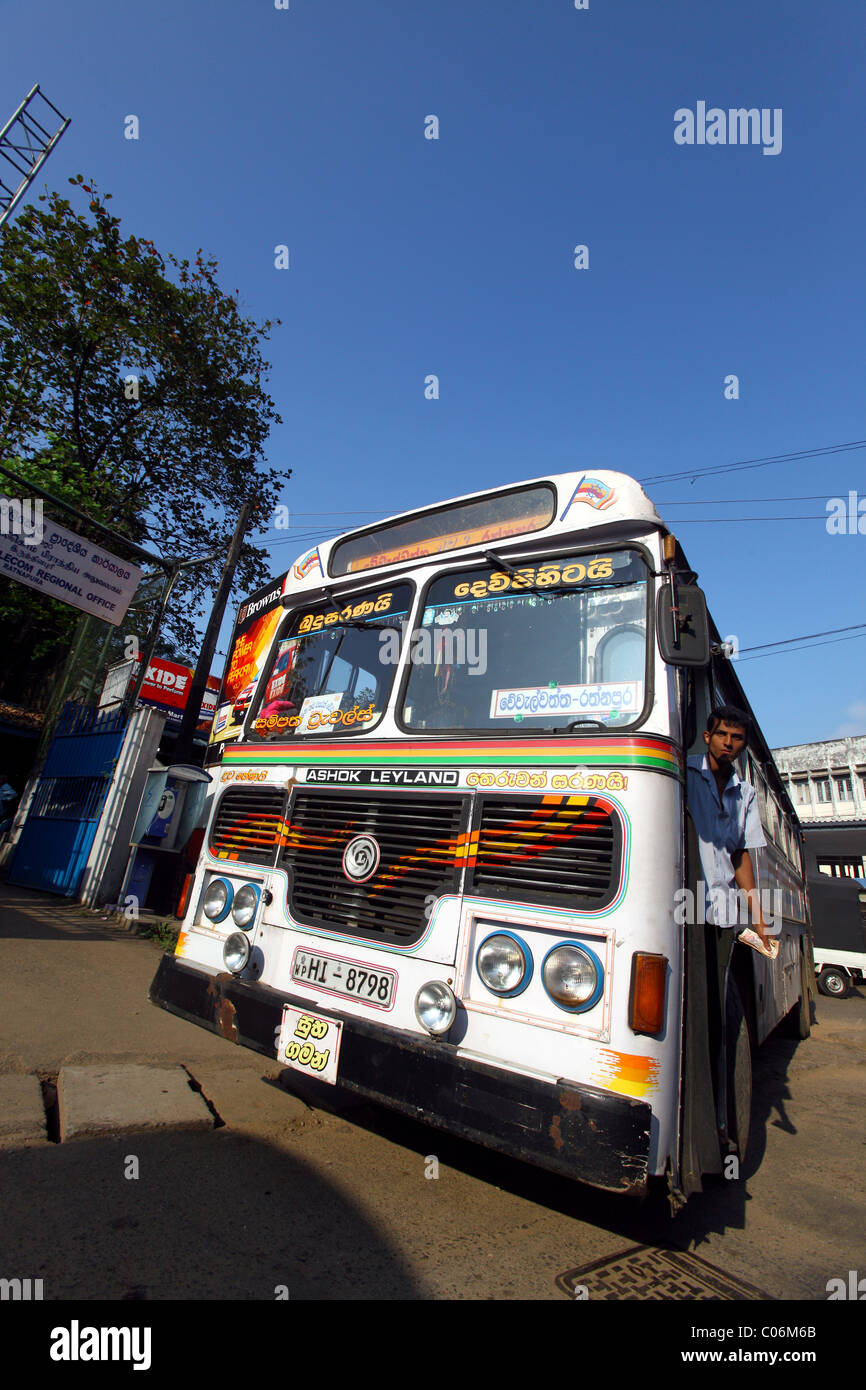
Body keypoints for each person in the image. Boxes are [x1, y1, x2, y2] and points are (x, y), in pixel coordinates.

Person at [686, 706, 779, 959]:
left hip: (723, 914)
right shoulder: (684, 774)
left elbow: (739, 855)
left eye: (736, 737)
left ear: (744, 744)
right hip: (682, 907)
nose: (728, 742)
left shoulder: (745, 793)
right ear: (707, 737)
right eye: (721, 734)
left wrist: (759, 918)